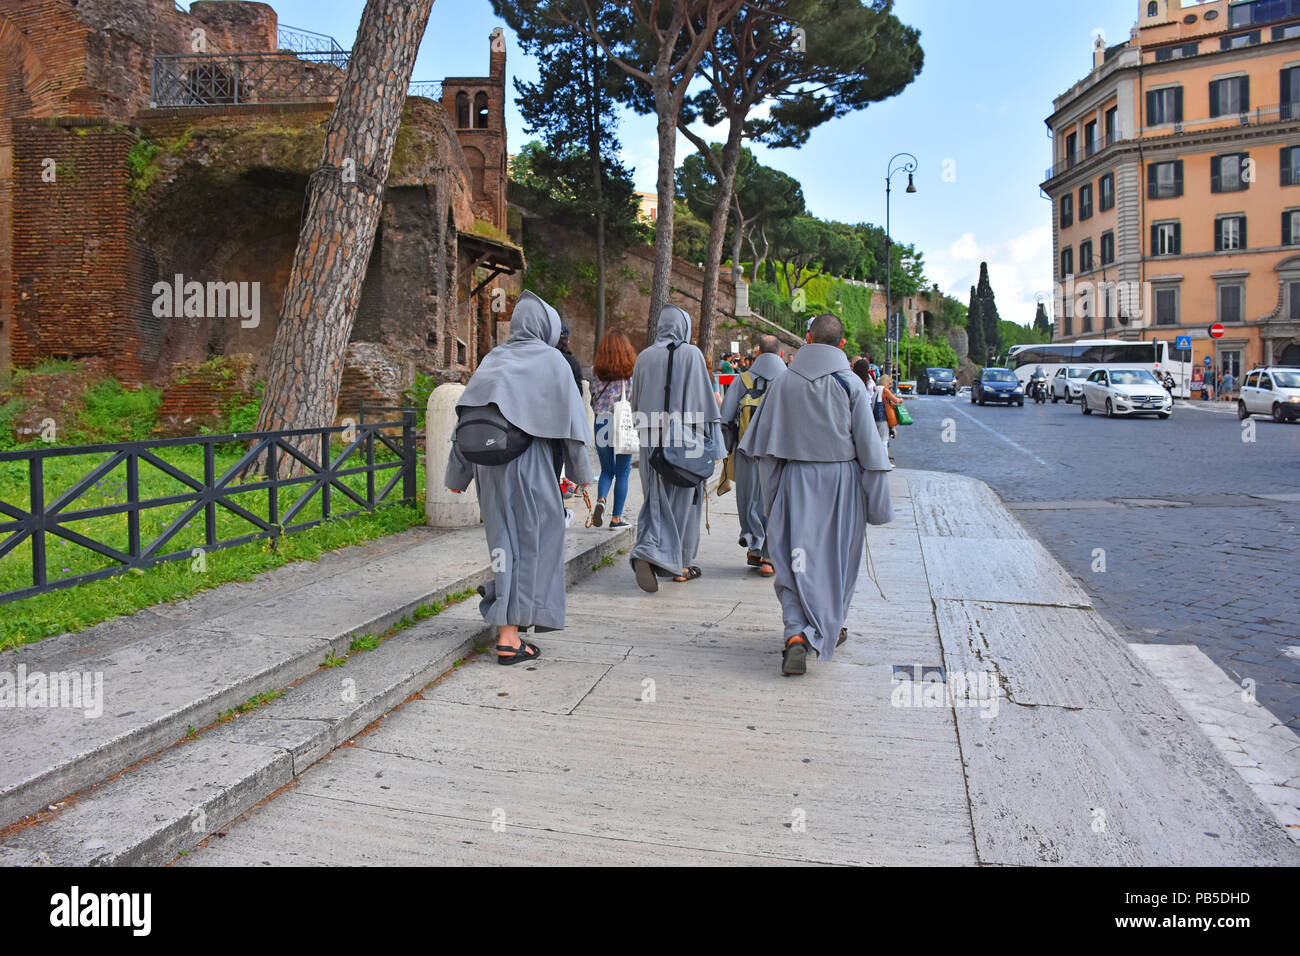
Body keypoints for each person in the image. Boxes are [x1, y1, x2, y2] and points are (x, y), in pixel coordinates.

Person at [739, 314, 894, 676]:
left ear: (807, 339)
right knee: (837, 563)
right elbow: (872, 455)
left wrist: (772, 502)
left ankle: (795, 633)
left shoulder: (783, 383)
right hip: (842, 485)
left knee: (794, 563)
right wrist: (877, 506)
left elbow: (767, 453)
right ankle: (826, 627)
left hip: (794, 479)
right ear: (841, 345)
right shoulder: (850, 385)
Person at [445, 291, 593, 665]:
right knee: (538, 543)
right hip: (532, 464)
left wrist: (457, 473)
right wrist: (581, 474)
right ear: (547, 326)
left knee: (503, 543)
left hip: (488, 470)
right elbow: (573, 427)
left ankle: (507, 622)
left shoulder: (494, 357)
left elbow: (469, 417)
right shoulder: (553, 361)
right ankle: (511, 635)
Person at [629, 305, 723, 591]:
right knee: (685, 503)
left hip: (651, 440)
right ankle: (680, 564)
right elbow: (706, 406)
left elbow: (635, 404)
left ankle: (650, 549)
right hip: (686, 441)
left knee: (656, 500)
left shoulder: (643, 357)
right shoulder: (692, 355)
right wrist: (715, 448)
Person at [721, 335, 788, 576]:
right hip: (780, 450)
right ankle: (770, 556)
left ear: (758, 353)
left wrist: (727, 450)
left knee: (749, 499)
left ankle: (754, 544)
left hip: (746, 449)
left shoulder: (744, 379)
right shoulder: (789, 379)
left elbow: (726, 416)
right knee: (777, 500)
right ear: (780, 355)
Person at [590, 329, 637, 530]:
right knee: (623, 471)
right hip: (622, 424)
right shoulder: (630, 374)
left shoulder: (595, 372)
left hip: (601, 422)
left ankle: (601, 499)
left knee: (606, 470)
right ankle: (616, 518)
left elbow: (593, 399)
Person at [875, 373, 903, 462]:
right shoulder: (884, 390)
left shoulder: (876, 388)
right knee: (884, 440)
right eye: (889, 383)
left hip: (874, 417)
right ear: (885, 382)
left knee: (877, 439)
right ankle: (885, 462)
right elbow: (895, 400)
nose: (890, 386)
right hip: (882, 417)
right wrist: (900, 400)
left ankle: (877, 460)